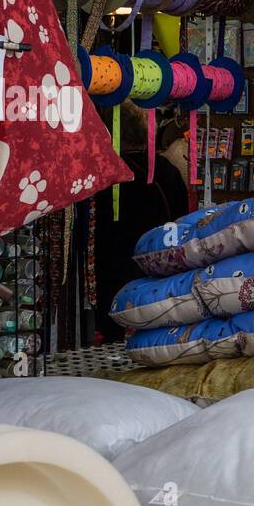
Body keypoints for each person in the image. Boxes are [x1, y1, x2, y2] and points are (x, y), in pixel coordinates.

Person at [92, 104, 191, 342]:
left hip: (114, 273)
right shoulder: (167, 170)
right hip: (158, 272)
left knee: (114, 339)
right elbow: (181, 221)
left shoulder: (107, 173)